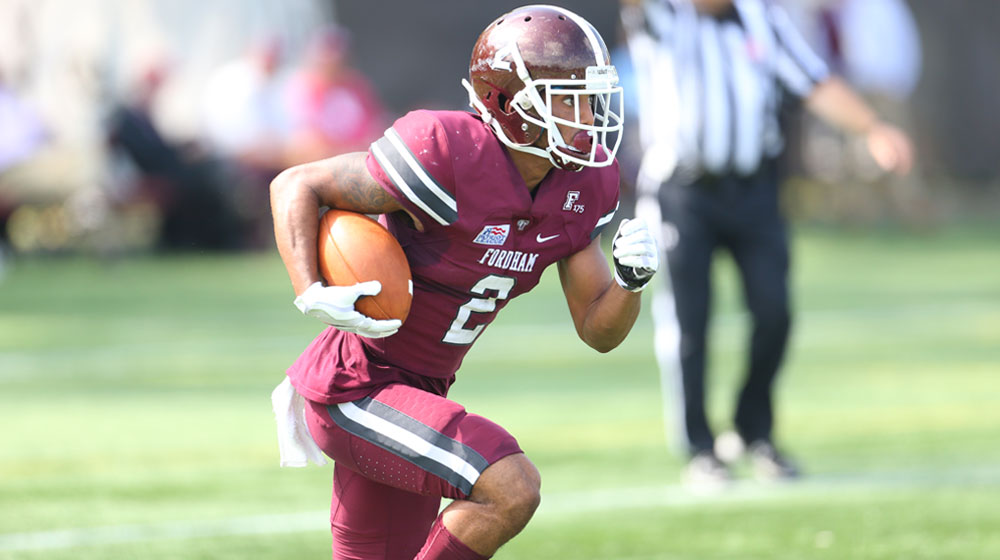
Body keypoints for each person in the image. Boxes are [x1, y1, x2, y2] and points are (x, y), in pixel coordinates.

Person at [269, 5, 658, 559]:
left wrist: (629, 282)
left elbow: (599, 328)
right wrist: (311, 288)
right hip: (357, 386)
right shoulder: (447, 152)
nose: (586, 115)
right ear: (507, 102)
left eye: (590, 97)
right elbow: (297, 185)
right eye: (566, 98)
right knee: (510, 486)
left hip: (418, 392)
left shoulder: (584, 182)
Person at [619, 0, 913, 486]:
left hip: (754, 187)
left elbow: (814, 80)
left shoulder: (762, 16)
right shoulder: (665, 13)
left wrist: (873, 128)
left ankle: (754, 430)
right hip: (682, 191)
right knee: (689, 323)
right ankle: (701, 448)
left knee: (774, 311)